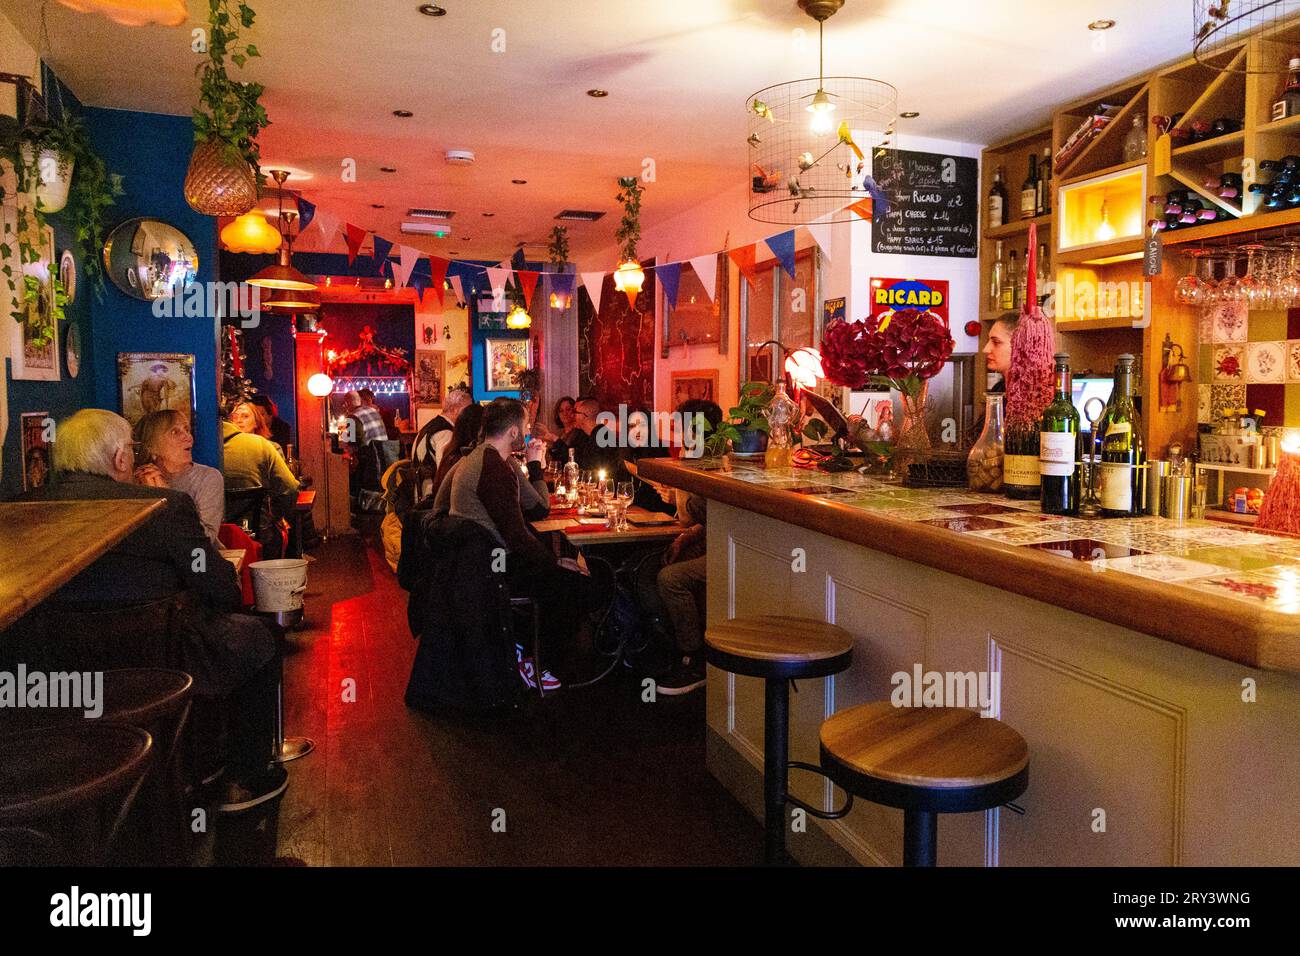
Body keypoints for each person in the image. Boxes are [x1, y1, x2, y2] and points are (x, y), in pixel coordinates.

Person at [22, 409, 286, 812]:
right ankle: (243, 779)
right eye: (129, 448)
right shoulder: (163, 505)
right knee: (261, 637)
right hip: (161, 662)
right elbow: (219, 587)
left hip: (57, 675)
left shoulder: (21, 507)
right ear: (119, 458)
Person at [433, 398, 586, 691]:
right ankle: (534, 661)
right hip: (490, 569)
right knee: (573, 585)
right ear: (514, 432)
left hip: (476, 563)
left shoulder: (482, 457)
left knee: (563, 574)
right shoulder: (493, 467)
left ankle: (529, 652)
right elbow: (516, 537)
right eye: (526, 425)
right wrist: (555, 563)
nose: (528, 430)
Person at [653, 399, 722, 695]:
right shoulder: (694, 453)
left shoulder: (711, 458)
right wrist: (686, 535)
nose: (675, 427)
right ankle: (668, 646)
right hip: (708, 539)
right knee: (657, 562)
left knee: (670, 578)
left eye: (679, 422)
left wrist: (686, 528)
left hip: (725, 549)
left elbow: (704, 514)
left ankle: (695, 659)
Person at [134, 409, 224, 546]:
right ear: (151, 446)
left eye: (187, 430)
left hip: (196, 561)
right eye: (175, 432)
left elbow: (206, 539)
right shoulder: (138, 479)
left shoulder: (207, 477)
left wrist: (167, 496)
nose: (188, 437)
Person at [223, 407, 300, 556]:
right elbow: (290, 489)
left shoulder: (201, 448)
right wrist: (276, 517)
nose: (239, 420)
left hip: (216, 535)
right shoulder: (262, 445)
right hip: (259, 533)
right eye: (235, 416)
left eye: (245, 416)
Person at [412, 385, 472, 497]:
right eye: (467, 410)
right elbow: (445, 472)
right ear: (455, 410)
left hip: (420, 490)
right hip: (431, 496)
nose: (469, 415)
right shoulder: (445, 433)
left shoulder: (431, 426)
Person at [428, 402, 485, 502]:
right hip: (449, 512)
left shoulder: (450, 450)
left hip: (441, 509)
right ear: (479, 431)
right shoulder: (466, 460)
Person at [567, 397, 620, 476]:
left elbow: (593, 470)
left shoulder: (602, 438)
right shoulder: (588, 435)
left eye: (576, 412)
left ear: (584, 416)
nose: (573, 415)